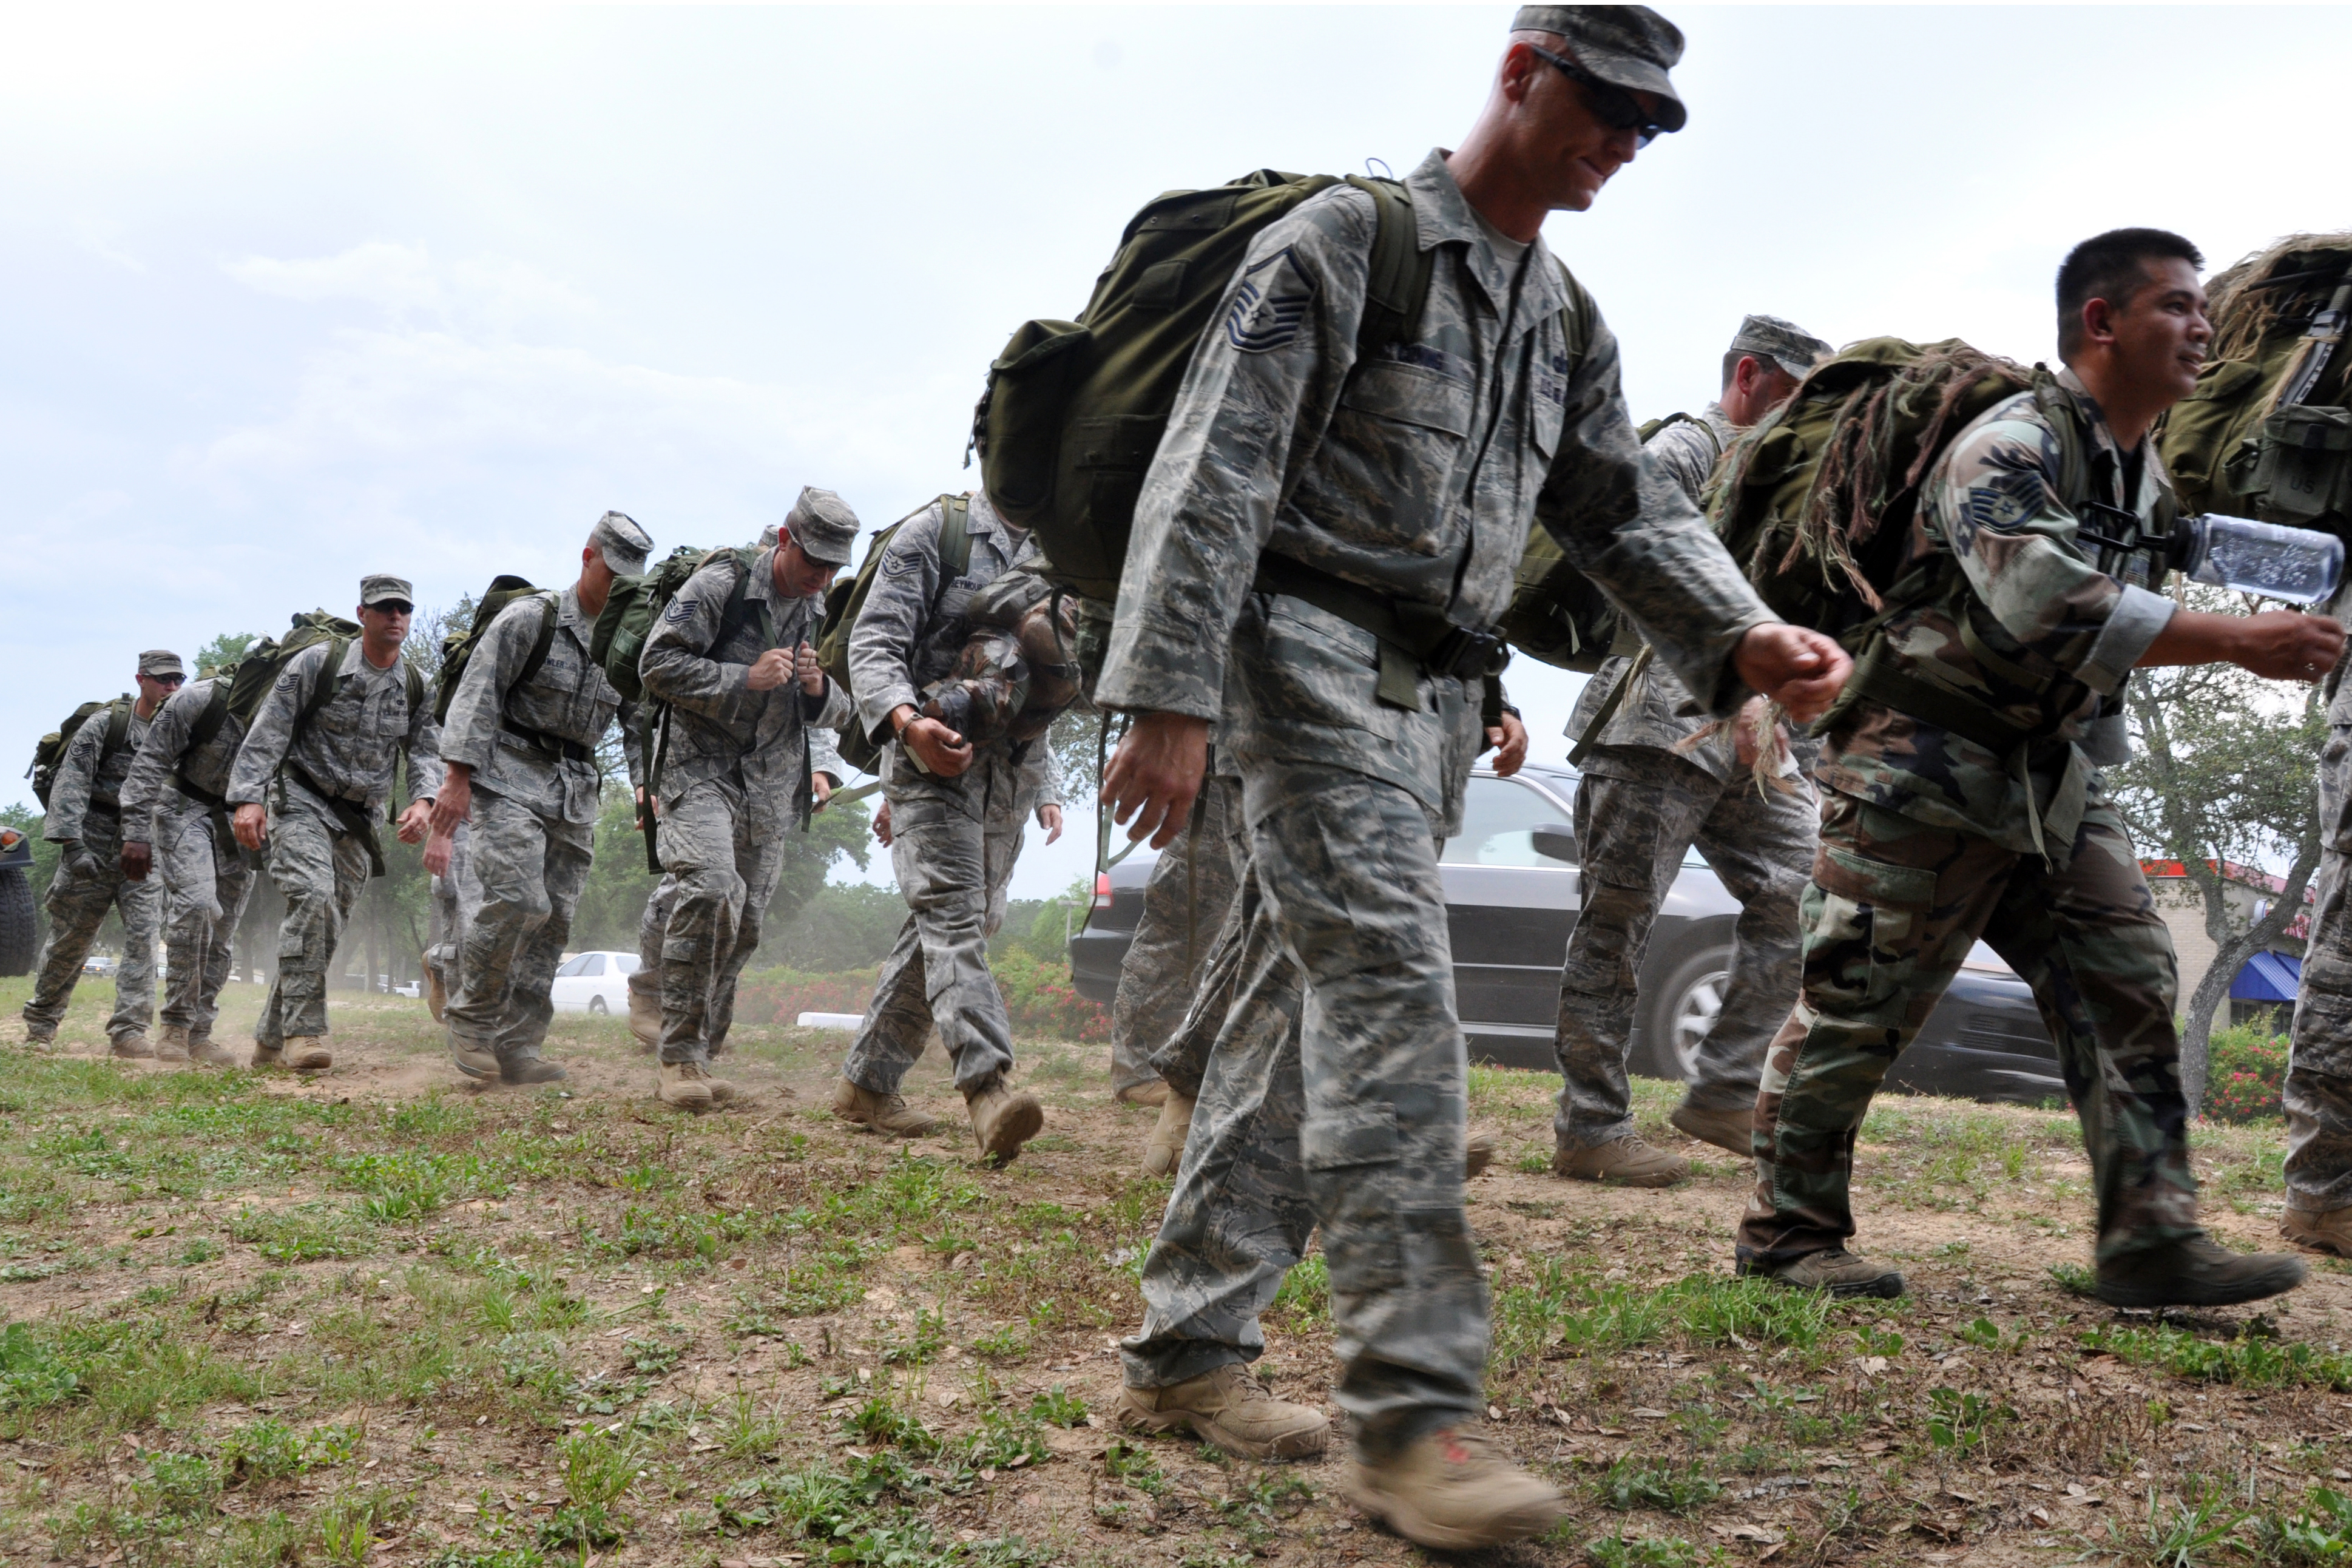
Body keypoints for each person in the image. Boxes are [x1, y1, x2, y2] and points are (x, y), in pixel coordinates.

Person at [1092, 8, 1851, 1550]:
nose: (1624, 144)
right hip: (1295, 656)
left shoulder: (1562, 315)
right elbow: (1215, 462)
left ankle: (1184, 1359)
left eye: (1652, 126)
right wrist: (1165, 692)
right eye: (1607, 106)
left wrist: (1743, 634)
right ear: (1520, 74)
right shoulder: (1345, 241)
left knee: (1302, 1018)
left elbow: (1620, 508)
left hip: (1433, 696)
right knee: (1387, 991)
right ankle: (1409, 1420)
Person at [1735, 229, 2341, 1308]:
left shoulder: (2139, 469)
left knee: (2129, 981)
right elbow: (2045, 600)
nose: (2202, 327)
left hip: (2045, 778)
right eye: (2176, 307)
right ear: (2101, 323)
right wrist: (2239, 640)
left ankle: (2148, 1241)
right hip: (1919, 764)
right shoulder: (2008, 442)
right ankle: (1788, 1235)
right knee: (1860, 1003)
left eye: (2203, 309)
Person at [1552, 314, 1831, 1185]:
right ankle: (1591, 1129)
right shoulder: (1686, 446)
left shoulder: (1796, 480)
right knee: (1617, 927)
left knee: (1806, 892)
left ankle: (1723, 1090)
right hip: (1657, 725)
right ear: (1750, 375)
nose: (1803, 419)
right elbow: (1618, 542)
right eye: (1793, 396)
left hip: (1759, 745)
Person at [827, 490, 1065, 1162]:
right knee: (953, 918)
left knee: (960, 921)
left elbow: (1039, 685)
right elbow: (874, 645)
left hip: (1008, 779)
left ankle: (867, 1085)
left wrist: (1043, 786)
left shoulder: (1058, 549)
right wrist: (908, 724)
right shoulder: (937, 532)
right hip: (929, 760)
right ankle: (988, 1090)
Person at [637, 490, 858, 1110]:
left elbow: (844, 708)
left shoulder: (822, 607)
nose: (822, 575)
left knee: (745, 926)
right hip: (699, 770)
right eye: (814, 559)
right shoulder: (721, 583)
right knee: (710, 888)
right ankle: (678, 1060)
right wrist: (744, 677)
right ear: (786, 541)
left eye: (834, 566)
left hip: (772, 787)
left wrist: (818, 688)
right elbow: (656, 666)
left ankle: (704, 1051)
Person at [430, 511, 654, 1086]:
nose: (622, 585)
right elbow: (479, 694)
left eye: (634, 576)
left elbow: (637, 720)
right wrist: (456, 779)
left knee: (554, 923)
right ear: (587, 558)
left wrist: (645, 781)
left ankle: (519, 1045)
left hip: (575, 792)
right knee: (518, 898)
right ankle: (472, 1020)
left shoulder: (626, 643)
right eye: (613, 570)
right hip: (507, 776)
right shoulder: (532, 619)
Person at [228, 577, 441, 1072]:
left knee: (324, 925)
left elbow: (426, 750)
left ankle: (269, 1036)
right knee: (313, 897)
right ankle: (305, 1033)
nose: (396, 617)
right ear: (362, 613)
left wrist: (424, 802)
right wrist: (247, 800)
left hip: (361, 821)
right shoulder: (317, 664)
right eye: (385, 608)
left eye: (404, 609)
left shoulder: (415, 684)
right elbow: (269, 733)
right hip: (301, 799)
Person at [21, 651, 182, 1056]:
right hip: (92, 838)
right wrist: (73, 846)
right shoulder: (108, 725)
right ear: (141, 679)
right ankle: (41, 1026)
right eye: (164, 679)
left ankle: (130, 1031)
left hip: (146, 844)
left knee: (145, 938)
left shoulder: (180, 729)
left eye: (179, 679)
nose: (172, 687)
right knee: (71, 939)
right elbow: (71, 783)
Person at [118, 656, 255, 1066]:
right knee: (197, 907)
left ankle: (200, 1034)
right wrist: (136, 832)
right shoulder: (197, 700)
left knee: (224, 929)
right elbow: (148, 765)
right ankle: (175, 1027)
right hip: (184, 808)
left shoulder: (292, 709)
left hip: (241, 821)